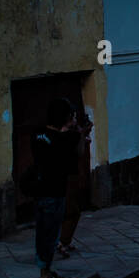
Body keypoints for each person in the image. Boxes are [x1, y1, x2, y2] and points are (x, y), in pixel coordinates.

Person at [31, 97, 81, 278]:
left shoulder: (38, 134)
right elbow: (74, 162)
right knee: (50, 235)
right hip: (55, 192)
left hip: (40, 191)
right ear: (66, 117)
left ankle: (47, 271)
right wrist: (77, 134)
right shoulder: (67, 139)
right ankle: (44, 277)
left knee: (43, 233)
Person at [57, 109, 93, 256]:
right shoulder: (66, 135)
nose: (75, 120)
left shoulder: (72, 133)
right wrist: (82, 134)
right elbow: (79, 151)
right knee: (71, 211)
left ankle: (65, 241)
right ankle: (62, 243)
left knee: (73, 211)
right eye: (73, 117)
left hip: (71, 176)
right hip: (65, 177)